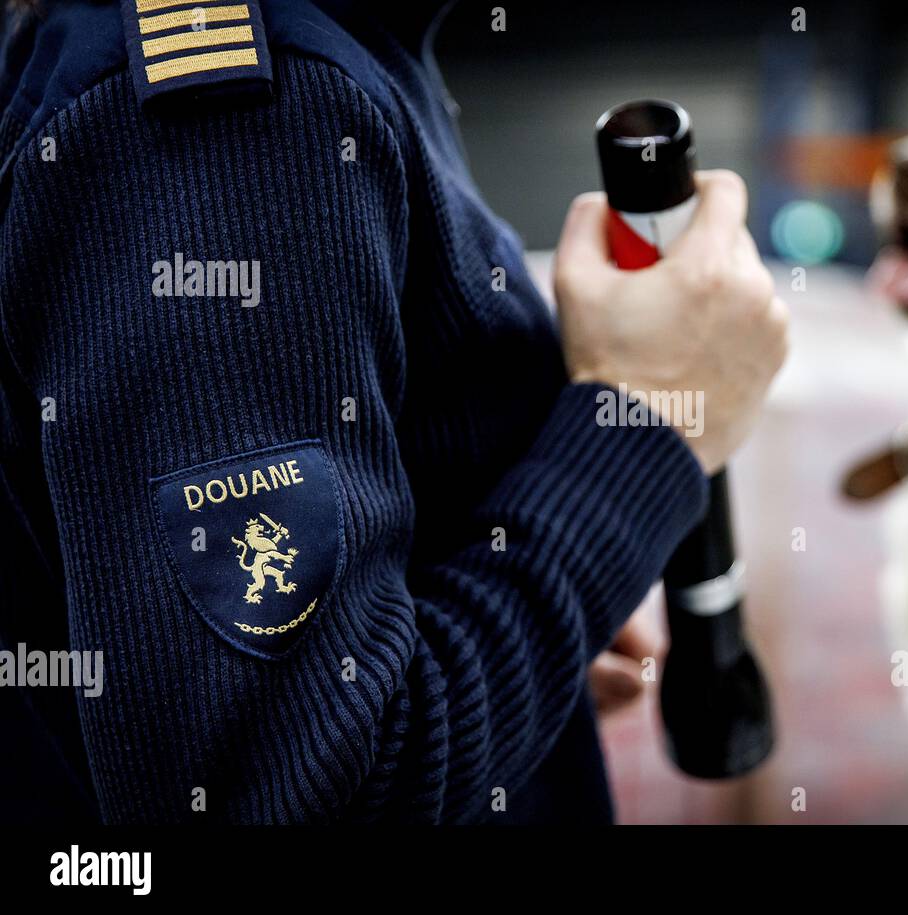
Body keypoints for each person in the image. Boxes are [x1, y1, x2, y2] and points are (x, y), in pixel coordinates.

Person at [0, 0, 786, 823]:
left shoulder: (358, 44)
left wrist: (525, 625)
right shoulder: (242, 115)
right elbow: (302, 795)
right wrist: (648, 423)